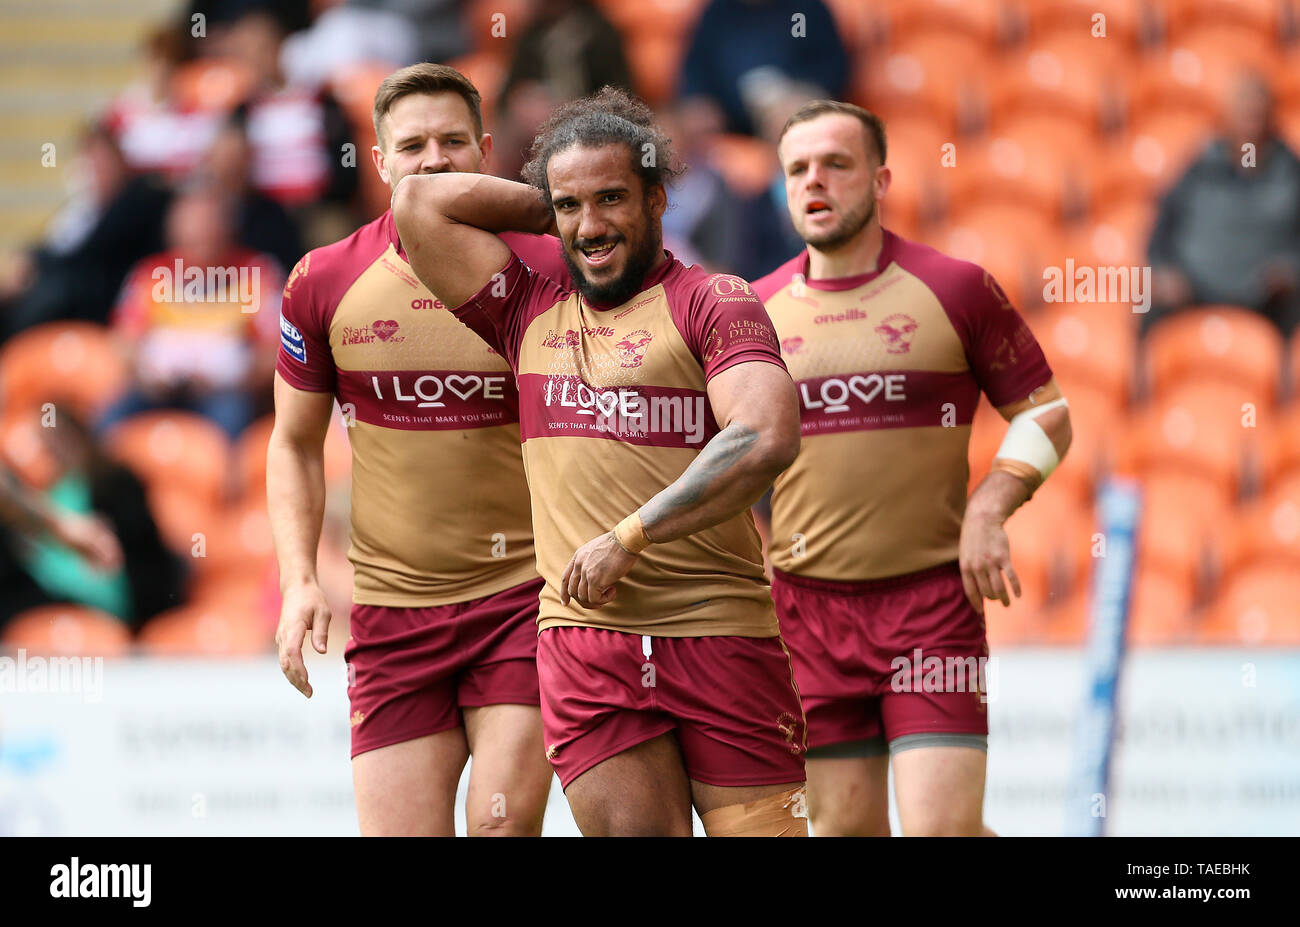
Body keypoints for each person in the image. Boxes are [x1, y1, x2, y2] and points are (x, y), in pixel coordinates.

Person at [393, 86, 809, 837]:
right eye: (570, 207)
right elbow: (419, 200)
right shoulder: (523, 307)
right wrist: (556, 195)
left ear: (658, 199)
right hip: (591, 647)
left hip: (723, 634)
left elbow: (765, 435)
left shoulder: (715, 300)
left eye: (613, 197)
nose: (590, 226)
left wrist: (631, 537)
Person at [753, 100, 1073, 836]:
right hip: (806, 618)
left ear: (881, 176)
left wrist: (990, 509)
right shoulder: (755, 310)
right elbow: (719, 451)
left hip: (932, 607)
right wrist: (754, 553)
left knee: (942, 831)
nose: (816, 181)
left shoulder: (954, 288)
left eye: (836, 163)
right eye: (798, 168)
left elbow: (1047, 412)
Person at [268, 63, 568, 837]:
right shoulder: (323, 280)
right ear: (379, 163)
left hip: (523, 603)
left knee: (501, 826)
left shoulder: (549, 270)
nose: (433, 161)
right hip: (394, 618)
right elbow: (295, 443)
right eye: (412, 146)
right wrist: (300, 577)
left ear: (486, 150)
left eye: (452, 142)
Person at [99, 183, 283, 440]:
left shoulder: (258, 273)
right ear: (174, 233)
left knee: (230, 419)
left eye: (210, 232)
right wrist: (147, 376)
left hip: (225, 393)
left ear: (228, 230)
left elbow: (278, 352)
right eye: (194, 236)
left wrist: (232, 378)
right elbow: (122, 341)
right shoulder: (149, 275)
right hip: (157, 390)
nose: (203, 242)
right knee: (110, 419)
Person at [1146, 71, 1300, 337]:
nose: (1250, 127)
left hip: (1266, 296)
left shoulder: (1290, 172)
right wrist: (1163, 270)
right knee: (1150, 307)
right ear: (1227, 120)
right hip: (1197, 286)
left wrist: (1291, 269)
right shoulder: (1199, 167)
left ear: (1271, 120)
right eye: (1244, 116)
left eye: (1257, 117)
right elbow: (1163, 224)